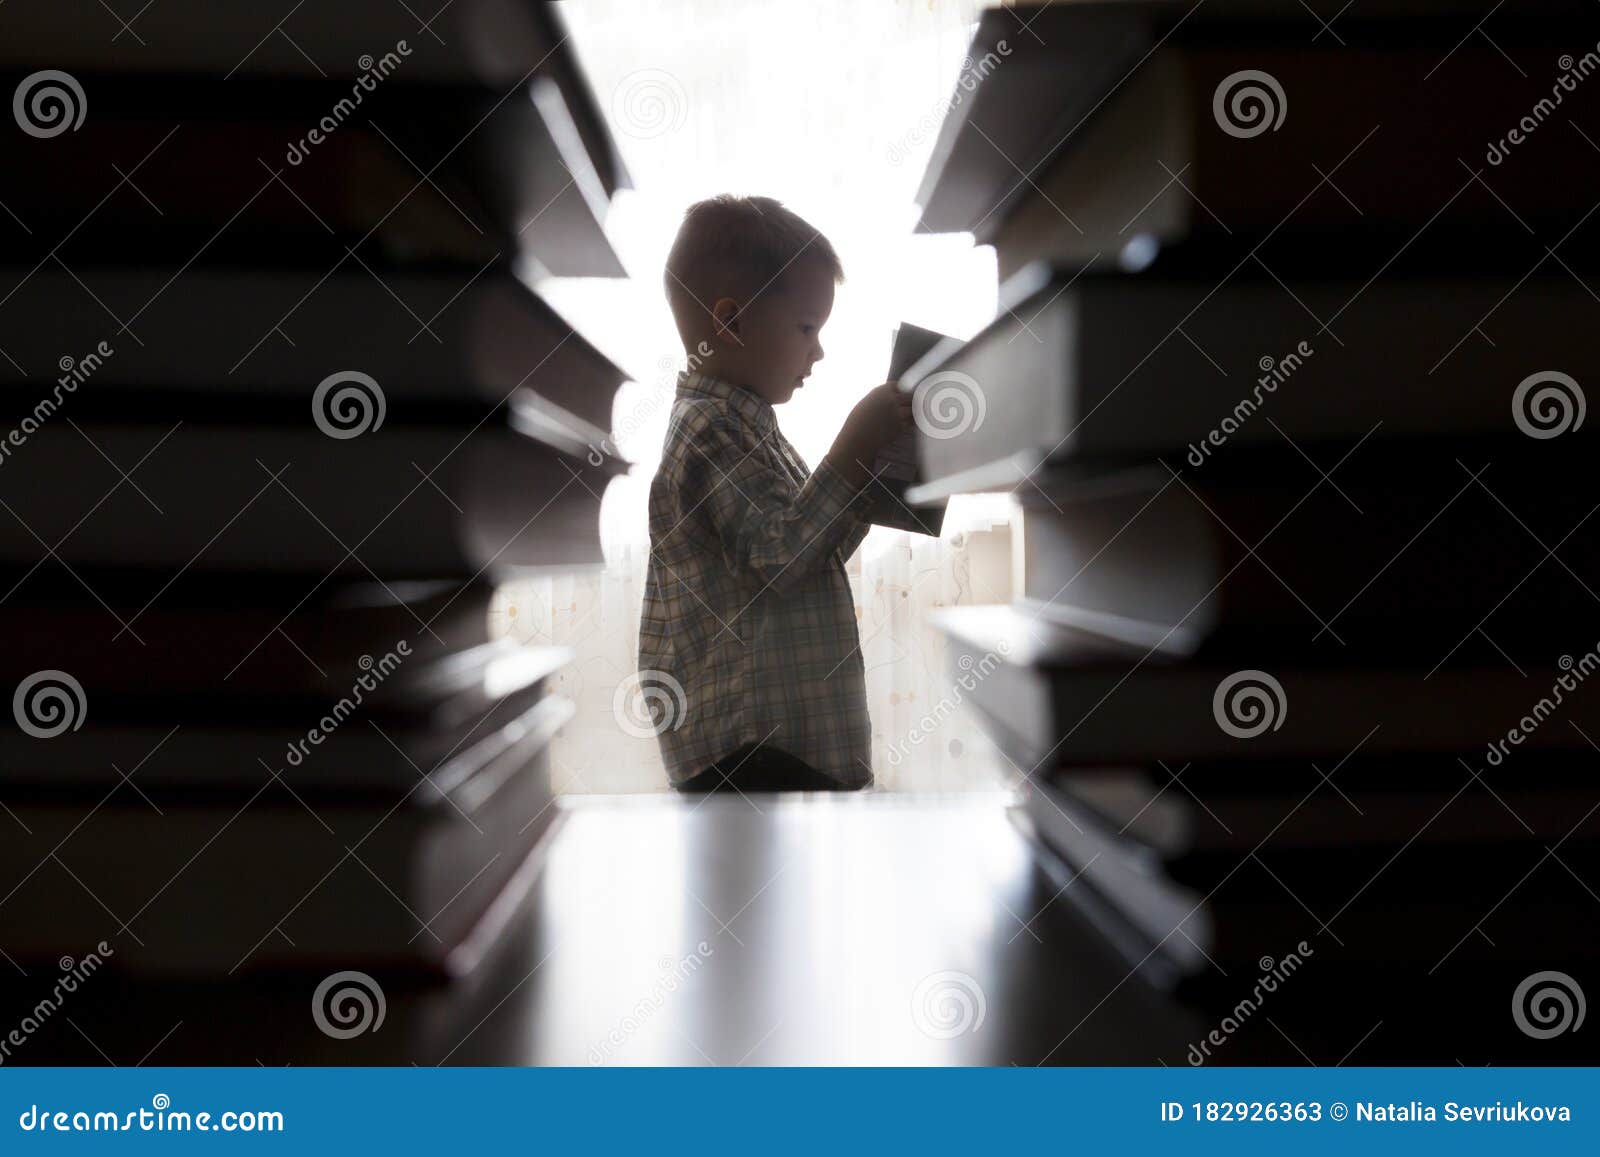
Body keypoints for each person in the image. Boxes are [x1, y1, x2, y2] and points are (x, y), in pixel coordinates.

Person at [638, 194, 913, 793]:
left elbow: (812, 549)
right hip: (750, 744)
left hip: (778, 741)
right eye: (807, 327)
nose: (818, 349)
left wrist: (878, 466)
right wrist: (850, 446)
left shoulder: (749, 426)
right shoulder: (711, 429)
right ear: (731, 322)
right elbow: (783, 555)